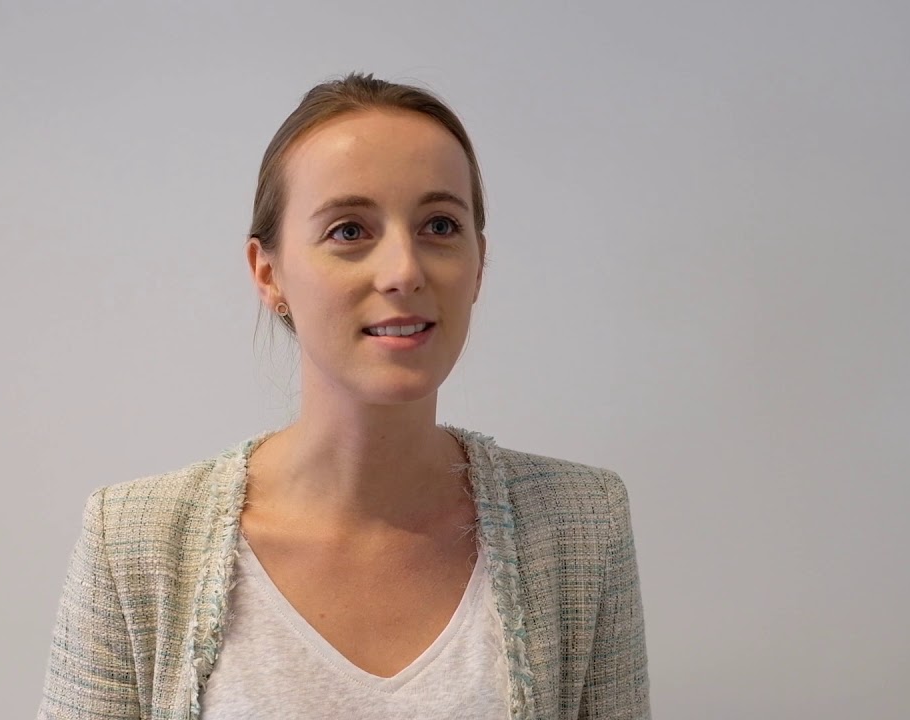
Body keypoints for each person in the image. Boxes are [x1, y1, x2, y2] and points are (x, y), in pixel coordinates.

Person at [37, 71, 650, 720]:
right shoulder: (134, 543)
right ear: (268, 273)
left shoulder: (582, 526)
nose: (404, 271)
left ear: (478, 263)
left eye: (440, 225)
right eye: (350, 231)